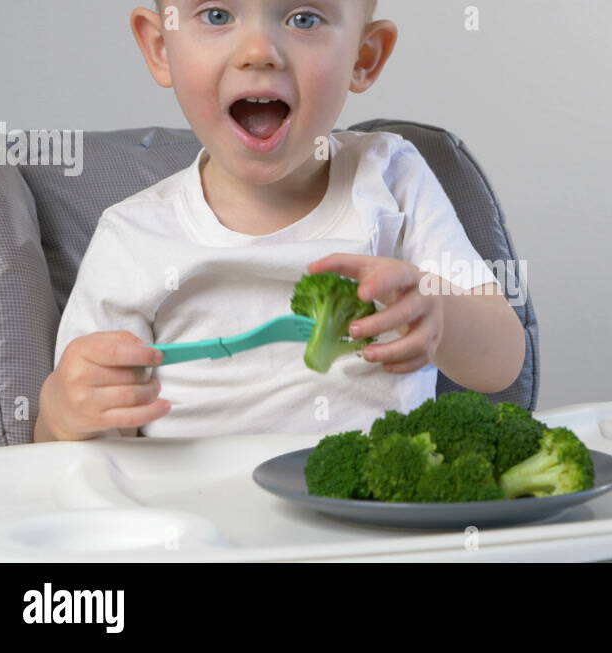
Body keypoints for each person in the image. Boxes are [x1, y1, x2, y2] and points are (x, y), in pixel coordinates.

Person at [34, 0, 525, 442]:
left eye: (304, 19)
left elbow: (501, 365)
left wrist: (437, 311)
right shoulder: (132, 237)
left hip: (374, 524)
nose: (259, 52)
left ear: (364, 56)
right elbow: (76, 458)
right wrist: (62, 416)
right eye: (217, 15)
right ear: (160, 46)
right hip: (191, 528)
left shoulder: (391, 177)